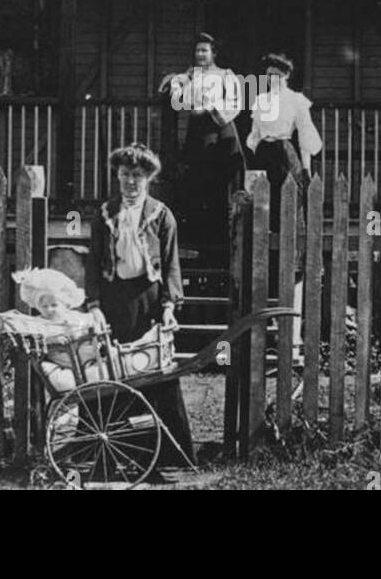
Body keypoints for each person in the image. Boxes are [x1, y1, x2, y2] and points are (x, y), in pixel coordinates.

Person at [84, 143, 196, 470]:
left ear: (148, 178)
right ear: (117, 177)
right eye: (124, 176)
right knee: (113, 372)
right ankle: (109, 454)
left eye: (137, 176)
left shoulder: (162, 215)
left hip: (148, 301)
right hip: (113, 301)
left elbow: (171, 264)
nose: (130, 182)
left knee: (155, 370)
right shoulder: (104, 214)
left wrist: (169, 306)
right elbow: (92, 263)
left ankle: (168, 456)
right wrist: (94, 305)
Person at [158, 32, 245, 251]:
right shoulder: (191, 76)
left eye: (205, 50)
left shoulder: (226, 75)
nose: (200, 55)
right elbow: (181, 101)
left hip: (219, 131)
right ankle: (200, 240)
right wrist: (177, 81)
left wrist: (213, 109)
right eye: (197, 51)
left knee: (219, 184)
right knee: (196, 183)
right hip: (197, 132)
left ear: (214, 53)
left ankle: (222, 241)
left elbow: (234, 103)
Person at [246, 52, 323, 194]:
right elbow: (255, 134)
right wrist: (255, 159)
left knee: (285, 196)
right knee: (260, 200)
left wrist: (306, 168)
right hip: (262, 153)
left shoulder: (296, 99)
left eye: (277, 76)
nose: (272, 79)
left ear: (286, 76)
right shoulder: (261, 100)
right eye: (269, 75)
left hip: (283, 153)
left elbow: (305, 134)